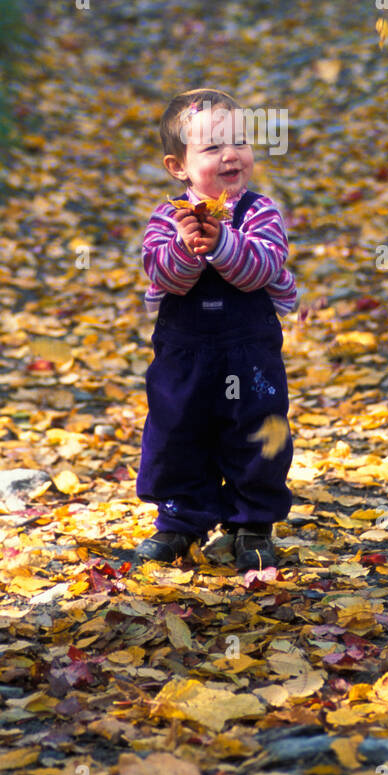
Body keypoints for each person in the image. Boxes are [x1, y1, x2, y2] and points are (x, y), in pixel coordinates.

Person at [134, 87, 297, 572]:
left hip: (248, 350)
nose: (231, 155)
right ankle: (181, 519)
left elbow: (260, 268)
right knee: (176, 431)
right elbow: (162, 275)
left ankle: (252, 522)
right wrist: (187, 247)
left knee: (257, 431)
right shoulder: (168, 218)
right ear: (178, 166)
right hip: (185, 352)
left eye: (240, 142)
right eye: (211, 147)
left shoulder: (260, 212)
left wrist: (223, 241)